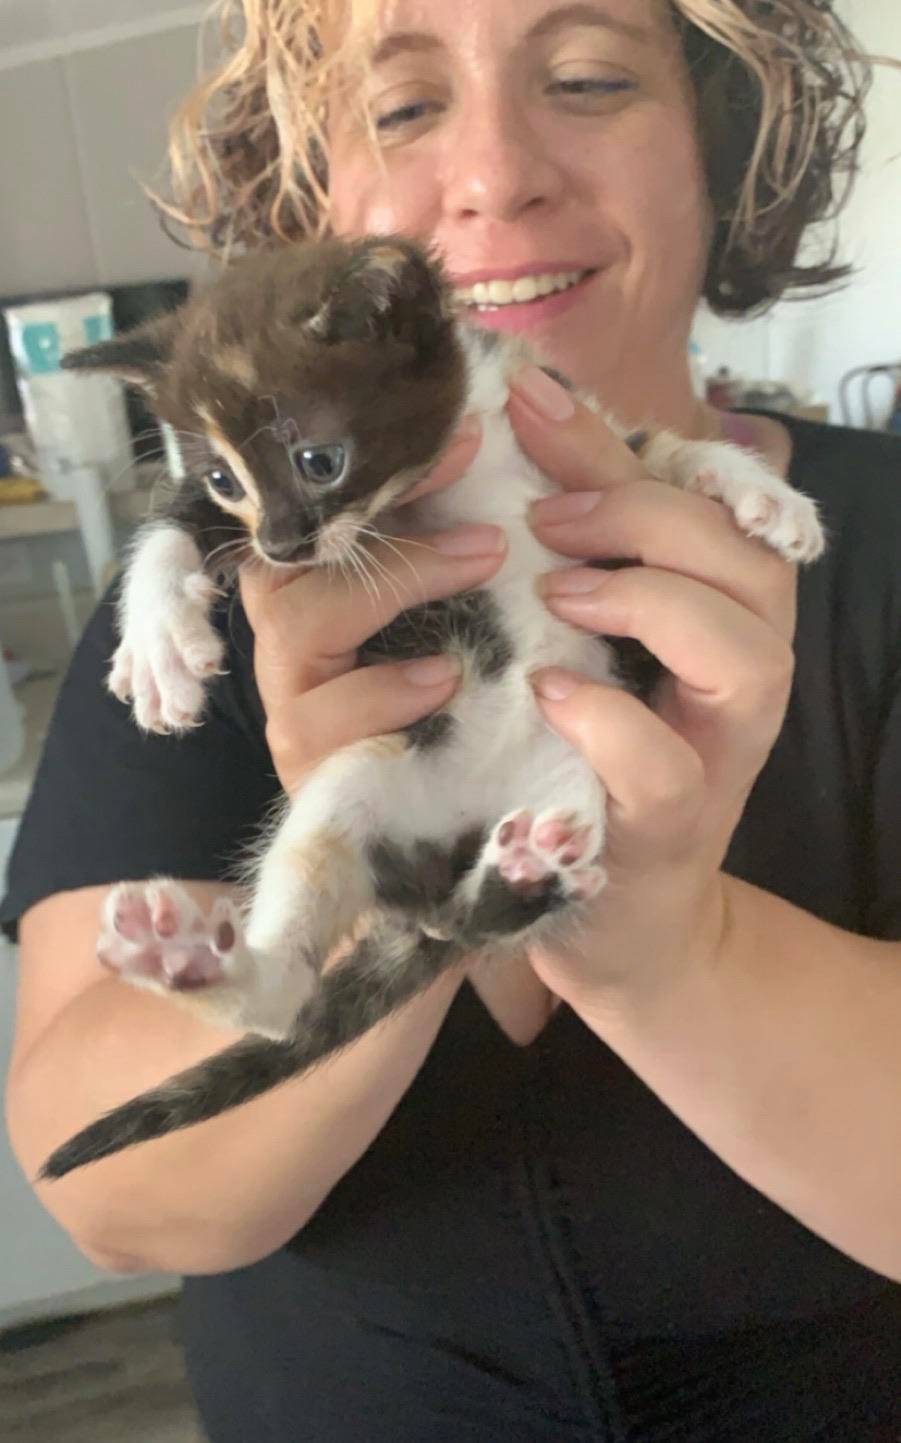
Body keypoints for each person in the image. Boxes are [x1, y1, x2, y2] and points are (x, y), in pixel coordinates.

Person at [4, 0, 901, 1437]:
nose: (492, 175)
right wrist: (379, 885)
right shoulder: (220, 601)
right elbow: (109, 1202)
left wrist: (675, 943)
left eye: (589, 77)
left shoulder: (879, 542)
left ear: (724, 143)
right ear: (316, 199)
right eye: (405, 107)